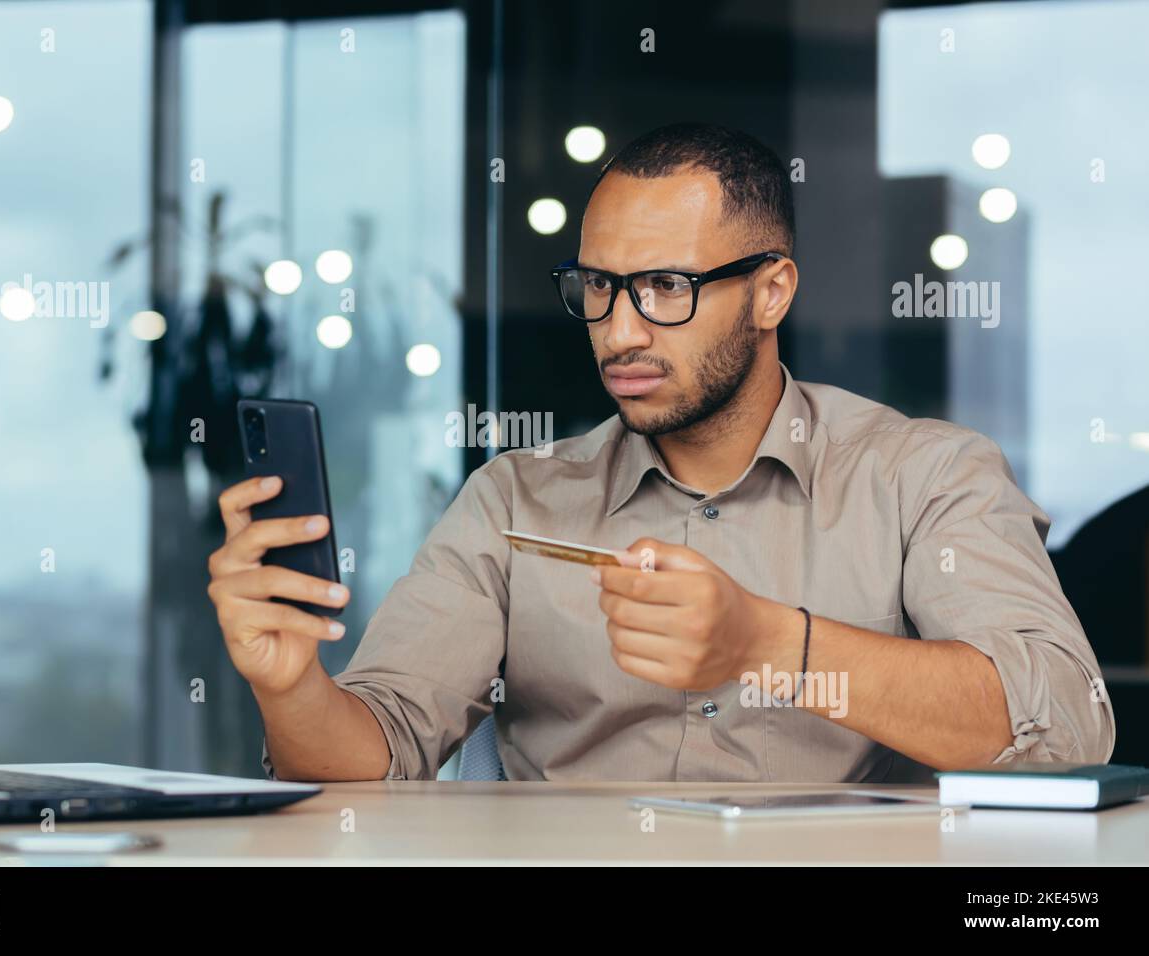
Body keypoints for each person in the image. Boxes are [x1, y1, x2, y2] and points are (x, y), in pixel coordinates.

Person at [207, 122, 1114, 783]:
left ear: (771, 292)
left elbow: (1066, 725)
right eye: (598, 287)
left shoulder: (925, 476)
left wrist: (766, 641)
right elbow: (373, 760)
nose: (620, 331)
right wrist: (291, 688)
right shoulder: (513, 500)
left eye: (666, 288)